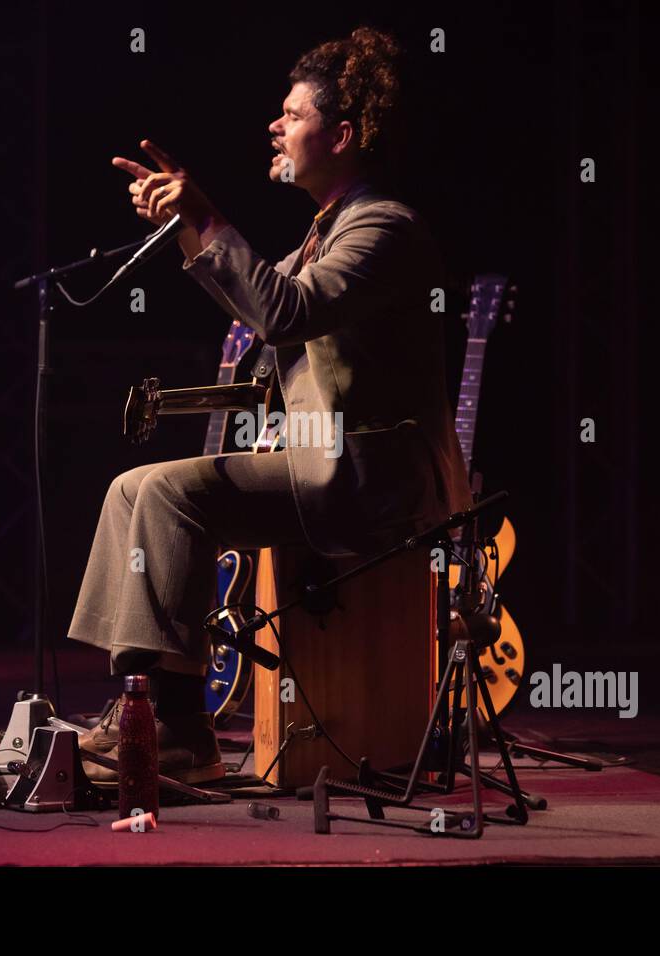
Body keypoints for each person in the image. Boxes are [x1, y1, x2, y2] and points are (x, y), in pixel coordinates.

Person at [67, 27, 472, 783]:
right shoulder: (326, 232)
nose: (274, 125)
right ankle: (140, 700)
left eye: (292, 113)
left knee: (165, 492)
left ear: (343, 134)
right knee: (132, 486)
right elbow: (259, 313)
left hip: (376, 479)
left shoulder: (384, 227)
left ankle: (181, 731)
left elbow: (284, 311)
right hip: (328, 464)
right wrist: (186, 229)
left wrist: (208, 218)